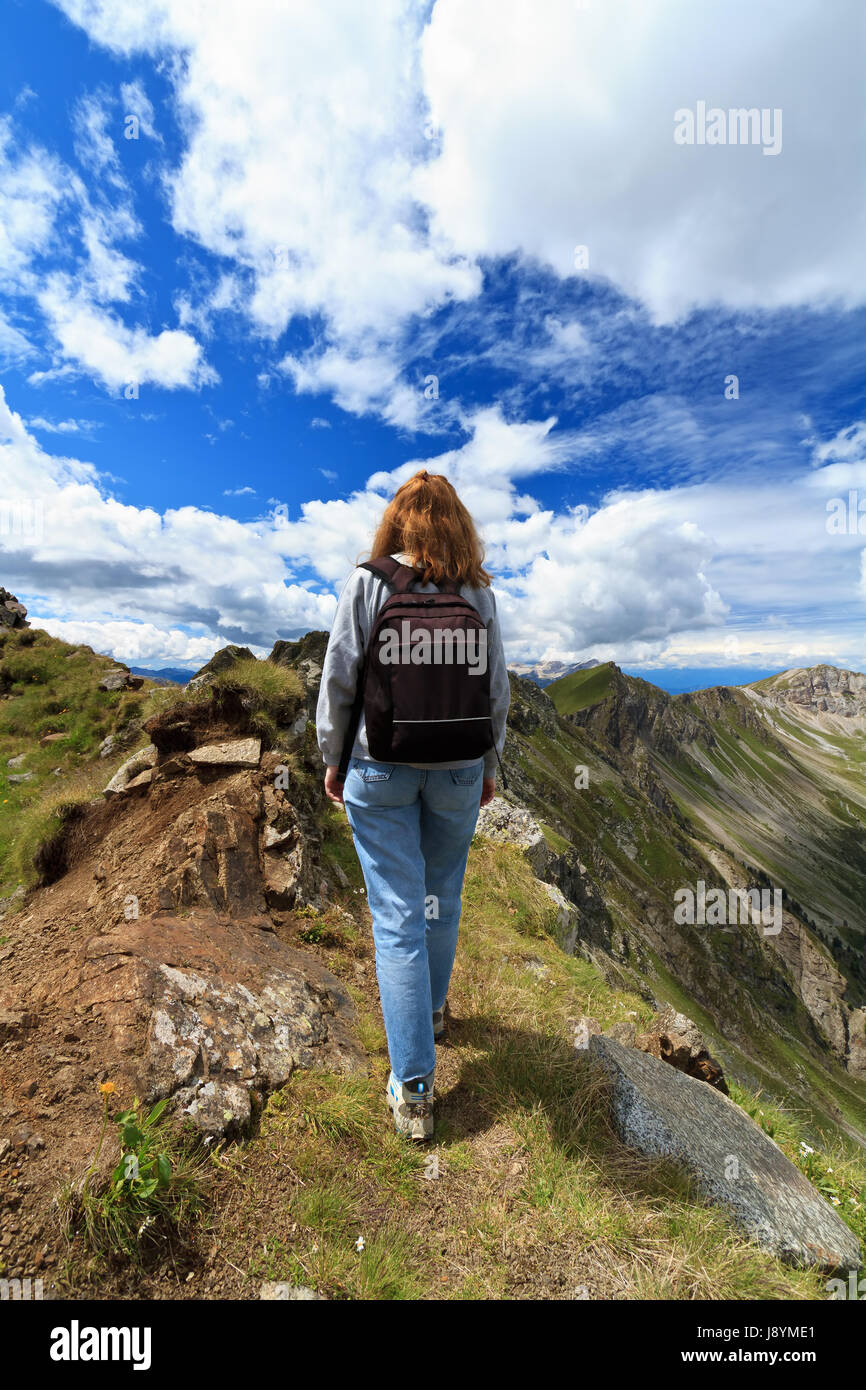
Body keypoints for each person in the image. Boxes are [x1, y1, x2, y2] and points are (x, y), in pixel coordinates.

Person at [315, 470, 510, 1139]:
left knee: (397, 916)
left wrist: (331, 759)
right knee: (440, 900)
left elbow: (340, 677)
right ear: (457, 523)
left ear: (397, 521)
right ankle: (429, 1015)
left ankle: (416, 1090)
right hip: (457, 770)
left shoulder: (368, 582)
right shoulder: (477, 592)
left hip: (380, 766)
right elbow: (497, 691)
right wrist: (488, 764)